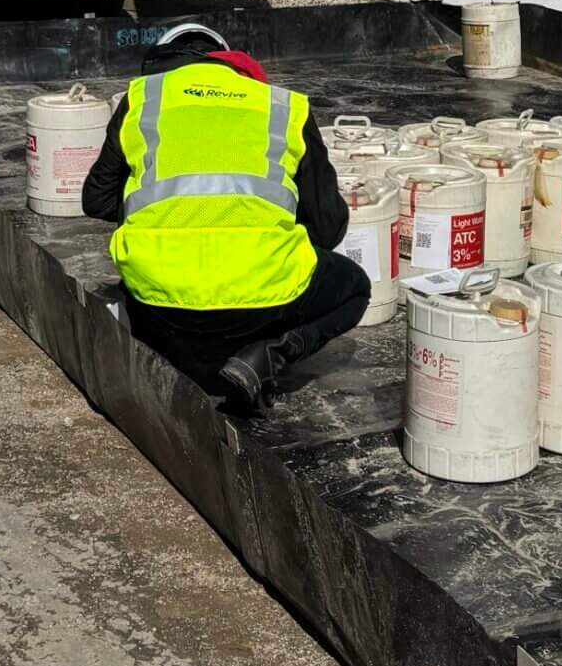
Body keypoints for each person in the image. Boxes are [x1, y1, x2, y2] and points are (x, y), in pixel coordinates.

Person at [82, 23, 369, 409]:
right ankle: (271, 352)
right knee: (354, 287)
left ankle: (183, 349)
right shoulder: (285, 107)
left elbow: (96, 201)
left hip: (160, 293)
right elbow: (328, 226)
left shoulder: (144, 99)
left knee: (145, 285)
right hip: (261, 297)